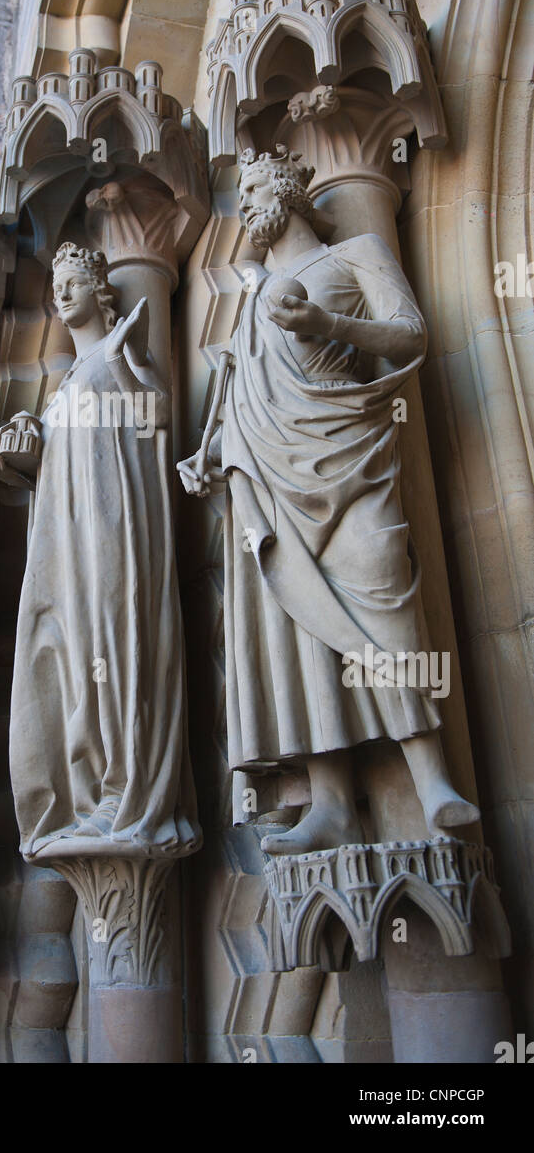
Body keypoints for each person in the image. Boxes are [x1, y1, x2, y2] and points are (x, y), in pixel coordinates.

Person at [178, 146, 478, 855]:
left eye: (253, 187)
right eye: (240, 193)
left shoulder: (356, 254)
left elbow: (409, 335)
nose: (244, 204)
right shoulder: (250, 302)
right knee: (299, 628)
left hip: (349, 458)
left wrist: (327, 325)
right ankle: (332, 801)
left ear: (287, 187)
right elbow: (247, 406)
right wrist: (211, 456)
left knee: (385, 593)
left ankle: (431, 776)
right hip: (271, 483)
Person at [0, 242, 199, 861]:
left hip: (116, 531)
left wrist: (135, 372)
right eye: (56, 285)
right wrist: (24, 442)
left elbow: (155, 416)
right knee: (74, 653)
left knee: (117, 642)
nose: (61, 294)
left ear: (102, 290)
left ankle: (126, 791)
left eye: (74, 282)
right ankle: (85, 793)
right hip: (66, 546)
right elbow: (54, 460)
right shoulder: (61, 387)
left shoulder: (120, 351)